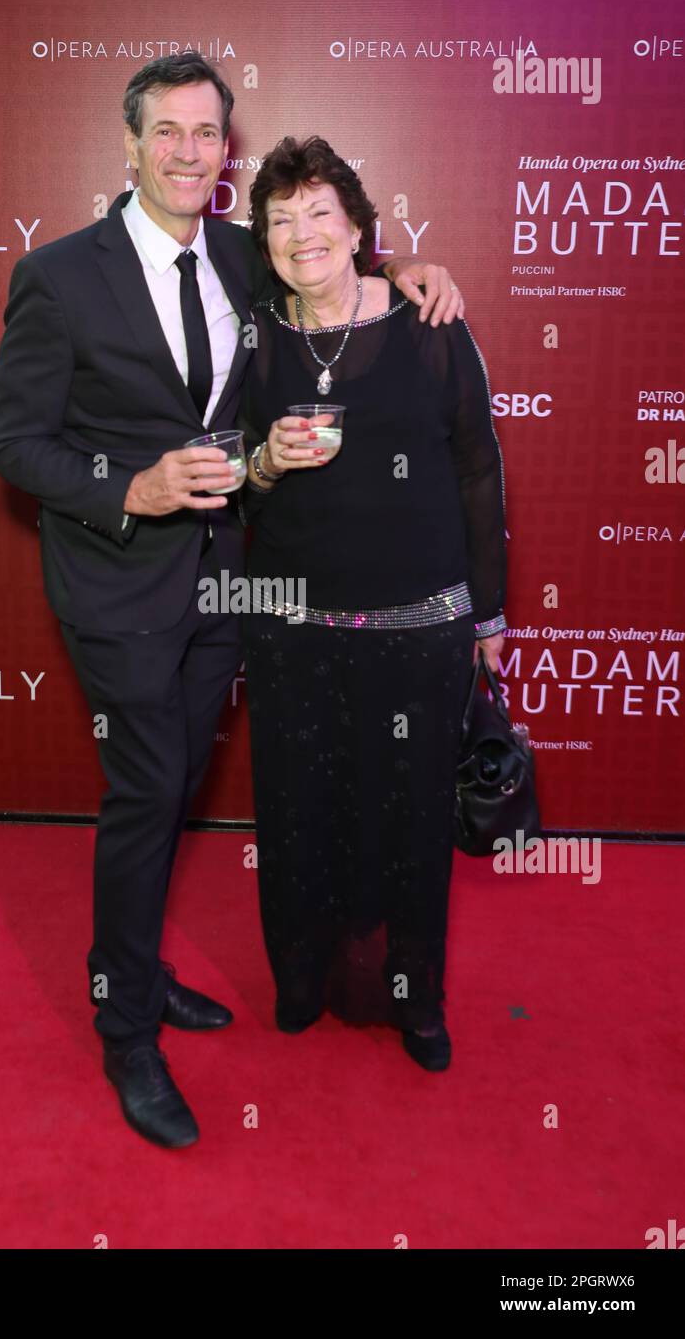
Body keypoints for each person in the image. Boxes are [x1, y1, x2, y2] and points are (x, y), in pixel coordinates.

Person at [0, 52, 465, 1149]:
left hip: (231, 582)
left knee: (177, 784)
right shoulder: (59, 276)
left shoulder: (247, 255)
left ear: (224, 150)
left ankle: (144, 978)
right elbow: (14, 443)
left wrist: (420, 270)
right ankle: (124, 1025)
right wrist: (132, 487)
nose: (188, 153)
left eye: (207, 134)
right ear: (128, 143)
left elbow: (335, 269)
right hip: (118, 582)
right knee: (146, 789)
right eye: (167, 132)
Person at [239, 136, 507, 1071]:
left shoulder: (428, 322)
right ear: (263, 240)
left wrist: (488, 617)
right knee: (298, 812)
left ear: (357, 226)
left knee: (410, 820)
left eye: (321, 213)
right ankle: (304, 978)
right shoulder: (255, 335)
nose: (302, 233)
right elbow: (234, 486)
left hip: (418, 631)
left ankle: (417, 997)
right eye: (281, 219)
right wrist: (266, 462)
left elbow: (477, 469)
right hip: (293, 635)